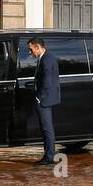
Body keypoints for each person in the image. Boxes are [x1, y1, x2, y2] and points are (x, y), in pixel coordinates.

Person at [28, 37, 60, 166]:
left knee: (47, 129)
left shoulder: (47, 59)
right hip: (45, 98)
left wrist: (39, 97)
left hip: (44, 99)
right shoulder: (46, 57)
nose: (30, 53)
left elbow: (47, 81)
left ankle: (49, 156)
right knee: (46, 128)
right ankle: (49, 155)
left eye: (31, 49)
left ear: (38, 47)